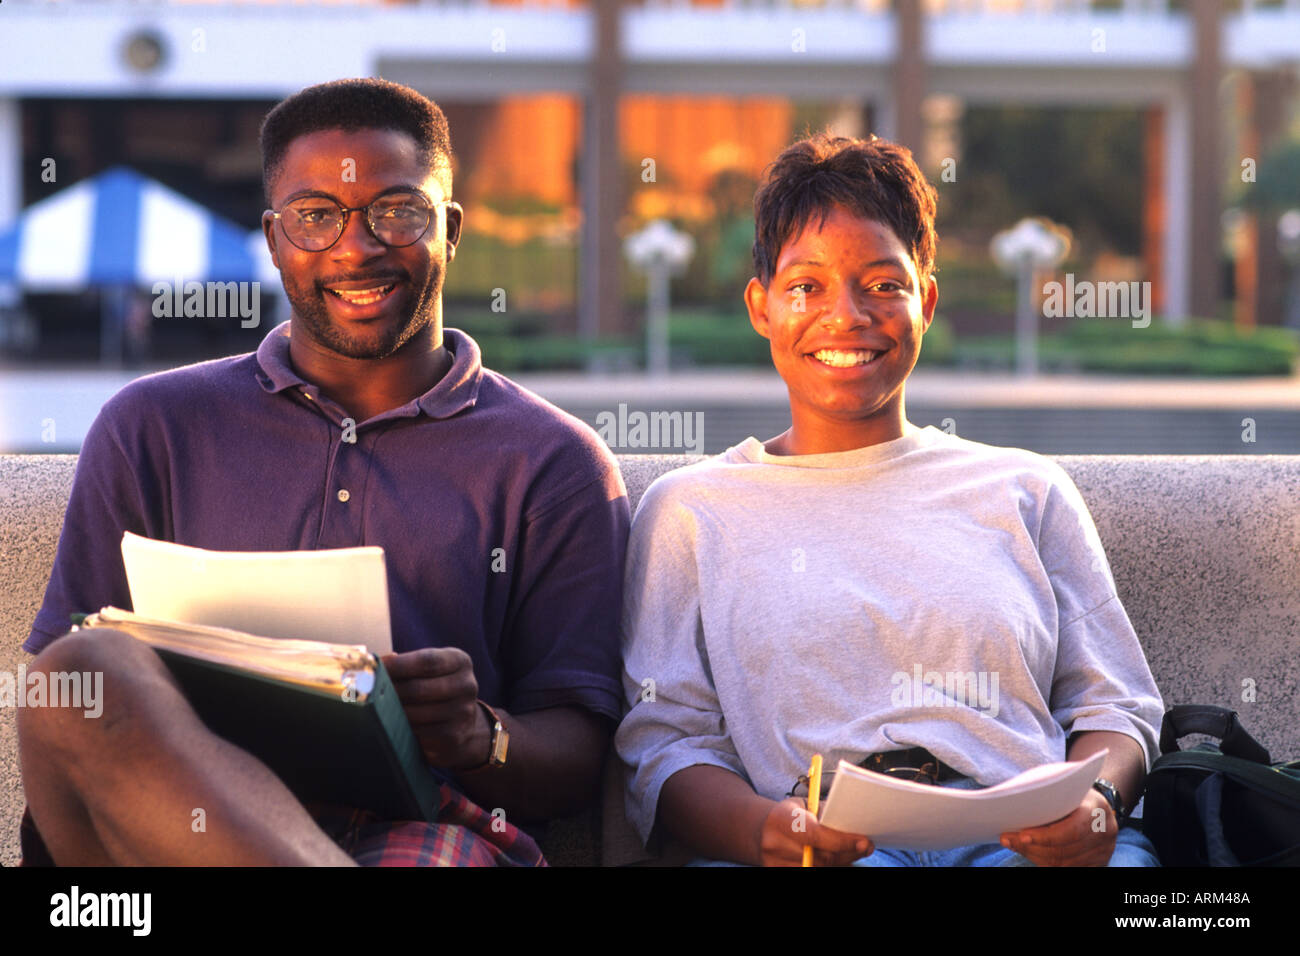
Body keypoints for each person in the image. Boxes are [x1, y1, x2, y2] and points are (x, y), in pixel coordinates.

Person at [17, 78, 629, 866]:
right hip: (175, 823)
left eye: (396, 211)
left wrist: (480, 734)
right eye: (316, 217)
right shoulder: (154, 425)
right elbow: (61, 704)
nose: (356, 245)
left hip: (418, 830)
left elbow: (578, 763)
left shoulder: (553, 461)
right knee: (82, 667)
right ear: (274, 240)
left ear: (449, 228)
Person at [615, 132, 1164, 867]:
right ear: (761, 306)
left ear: (925, 299)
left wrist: (1100, 805)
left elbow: (1116, 706)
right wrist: (762, 831)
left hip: (1022, 843)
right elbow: (665, 741)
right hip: (824, 848)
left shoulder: (1026, 490)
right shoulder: (691, 511)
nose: (846, 316)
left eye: (881, 283)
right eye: (805, 286)